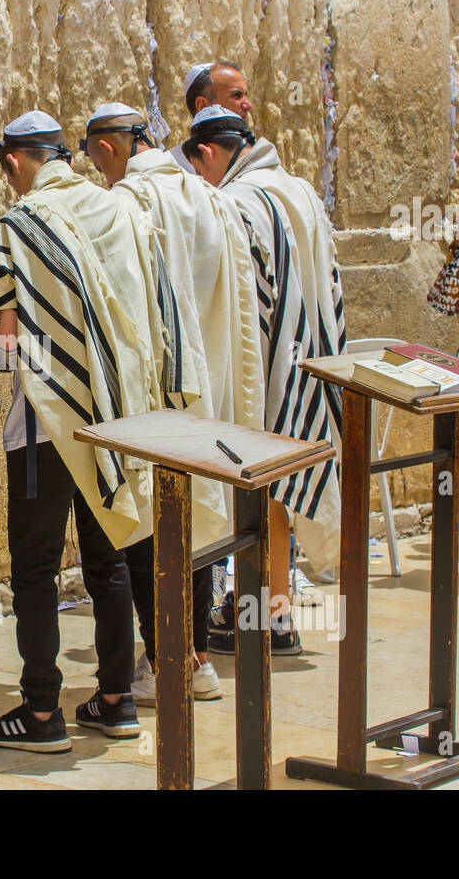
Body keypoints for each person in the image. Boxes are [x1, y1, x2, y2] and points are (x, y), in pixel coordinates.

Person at [0, 111, 208, 752]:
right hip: (123, 422)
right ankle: (114, 700)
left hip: (49, 424)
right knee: (107, 559)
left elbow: (6, 344)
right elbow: (165, 314)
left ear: (14, 161)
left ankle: (43, 714)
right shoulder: (126, 213)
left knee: (34, 568)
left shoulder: (19, 225)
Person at [84, 102, 274, 669]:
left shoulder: (125, 203)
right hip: (215, 388)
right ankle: (195, 655)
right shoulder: (212, 198)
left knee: (154, 523)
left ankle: (171, 660)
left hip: (159, 391)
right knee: (196, 517)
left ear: (108, 148)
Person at [182, 105, 345, 650]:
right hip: (311, 355)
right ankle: (271, 607)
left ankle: (265, 614)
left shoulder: (238, 200)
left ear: (206, 153)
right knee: (282, 484)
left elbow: (241, 299)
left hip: (265, 359)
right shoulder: (299, 189)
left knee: (263, 487)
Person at [168, 60, 254, 174]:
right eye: (237, 95)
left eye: (245, 95)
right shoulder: (172, 169)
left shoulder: (254, 158)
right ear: (203, 105)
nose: (248, 105)